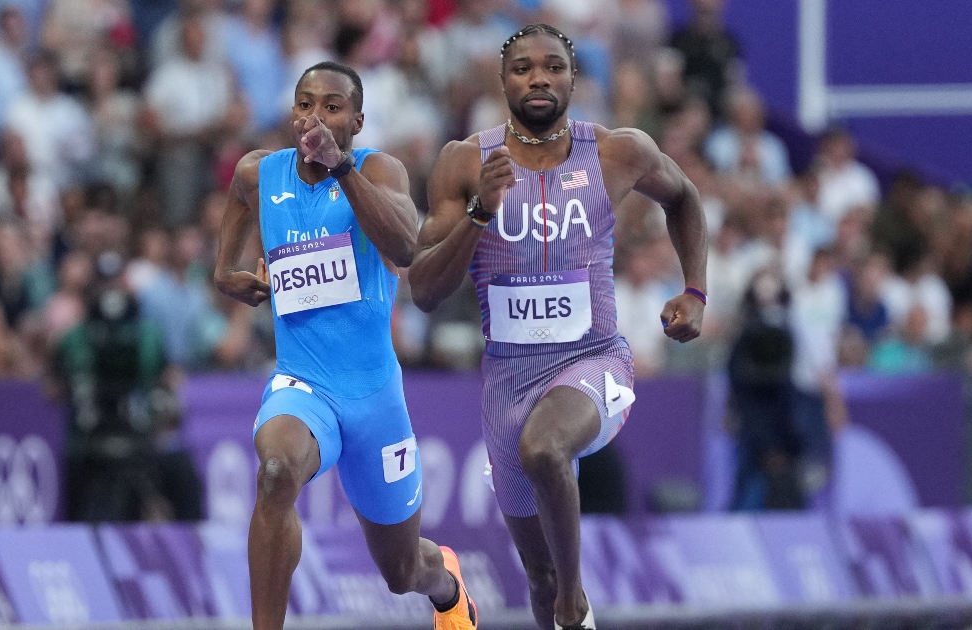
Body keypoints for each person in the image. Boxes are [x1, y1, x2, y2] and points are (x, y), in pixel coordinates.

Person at [409, 24, 708, 630]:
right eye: (523, 68)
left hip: (595, 362)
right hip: (506, 385)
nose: (538, 78)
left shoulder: (618, 151)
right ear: (502, 81)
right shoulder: (465, 161)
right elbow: (424, 291)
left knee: (545, 449)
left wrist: (695, 291)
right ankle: (561, 597)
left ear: (574, 78)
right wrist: (477, 214)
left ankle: (578, 601)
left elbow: (684, 199)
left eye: (553, 67)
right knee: (536, 577)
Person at [212, 62, 477, 630]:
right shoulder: (260, 174)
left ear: (356, 121)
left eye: (332, 107)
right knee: (277, 471)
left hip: (374, 398)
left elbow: (406, 247)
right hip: (304, 386)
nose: (315, 117)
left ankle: (448, 587)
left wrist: (344, 168)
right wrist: (228, 275)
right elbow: (228, 248)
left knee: (403, 570)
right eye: (305, 103)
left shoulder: (379, 169)